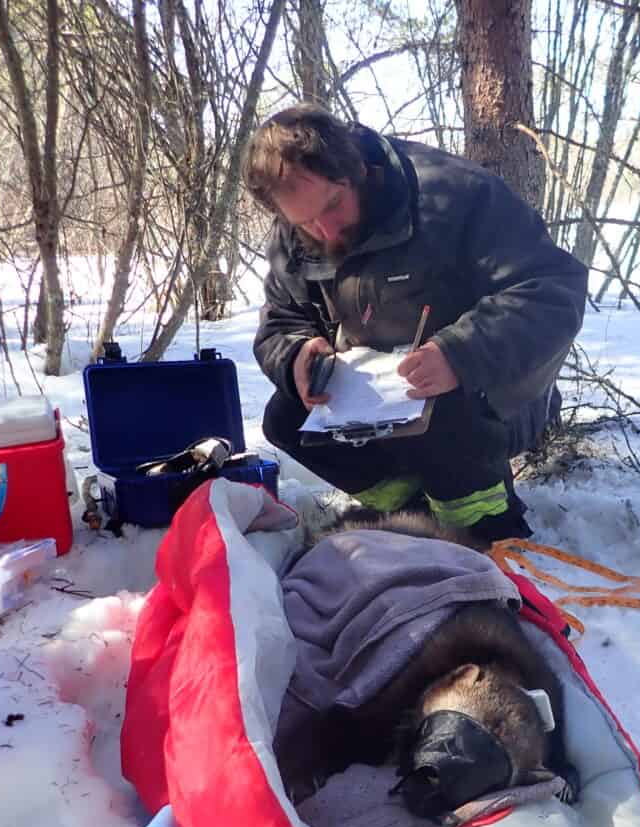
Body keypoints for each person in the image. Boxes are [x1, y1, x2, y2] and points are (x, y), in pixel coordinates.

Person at [246, 104, 586, 543]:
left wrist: (459, 354)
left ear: (359, 170)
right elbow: (281, 319)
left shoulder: (457, 195)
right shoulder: (293, 234)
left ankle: (485, 522)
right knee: (284, 419)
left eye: (333, 205)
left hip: (489, 391)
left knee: (440, 417)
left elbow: (552, 291)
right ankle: (407, 507)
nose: (326, 231)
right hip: (374, 398)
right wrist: (297, 355)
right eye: (305, 222)